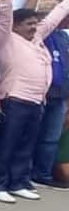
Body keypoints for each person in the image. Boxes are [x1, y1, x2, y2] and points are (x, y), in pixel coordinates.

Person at [0, 0, 69, 202]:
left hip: (36, 102)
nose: (34, 27)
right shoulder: (5, 40)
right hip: (14, 101)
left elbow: (56, 15)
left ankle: (18, 182)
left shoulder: (37, 38)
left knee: (25, 145)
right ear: (16, 26)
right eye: (29, 24)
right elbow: (4, 19)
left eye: (35, 24)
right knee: (6, 144)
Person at [32, 11, 69, 190]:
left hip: (60, 95)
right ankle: (24, 175)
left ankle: (43, 175)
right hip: (40, 94)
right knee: (31, 136)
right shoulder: (39, 35)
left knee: (51, 139)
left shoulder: (63, 37)